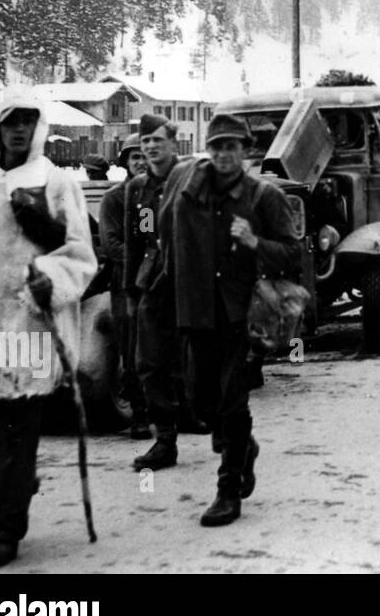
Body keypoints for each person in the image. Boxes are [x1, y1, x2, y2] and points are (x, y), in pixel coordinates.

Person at [0, 100, 98, 568]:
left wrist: (48, 277)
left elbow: (79, 253)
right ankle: (12, 478)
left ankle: (2, 530)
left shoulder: (55, 182)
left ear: (40, 128)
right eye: (11, 121)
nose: (19, 130)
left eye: (28, 122)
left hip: (27, 325)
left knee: (15, 426)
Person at [156, 113, 300, 526]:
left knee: (232, 402)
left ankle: (228, 489)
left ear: (247, 151)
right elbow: (166, 236)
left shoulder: (262, 197)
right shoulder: (187, 187)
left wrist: (254, 242)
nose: (223, 154)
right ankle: (244, 448)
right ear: (207, 148)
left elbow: (293, 252)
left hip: (243, 316)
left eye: (231, 147)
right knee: (202, 402)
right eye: (216, 146)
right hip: (196, 310)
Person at [125, 114, 186, 472]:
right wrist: (132, 289)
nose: (149, 147)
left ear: (173, 144)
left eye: (157, 140)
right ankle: (165, 441)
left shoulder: (193, 179)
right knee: (148, 362)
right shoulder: (139, 188)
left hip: (189, 280)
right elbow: (140, 239)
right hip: (153, 281)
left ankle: (223, 430)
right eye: (145, 142)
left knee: (196, 360)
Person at [100, 136, 150, 439]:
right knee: (131, 351)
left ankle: (174, 412)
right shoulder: (115, 199)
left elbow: (153, 239)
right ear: (125, 163)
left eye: (145, 156)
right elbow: (111, 243)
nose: (141, 162)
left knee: (160, 349)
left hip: (153, 282)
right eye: (135, 158)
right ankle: (140, 416)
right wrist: (140, 269)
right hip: (126, 285)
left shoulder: (151, 197)